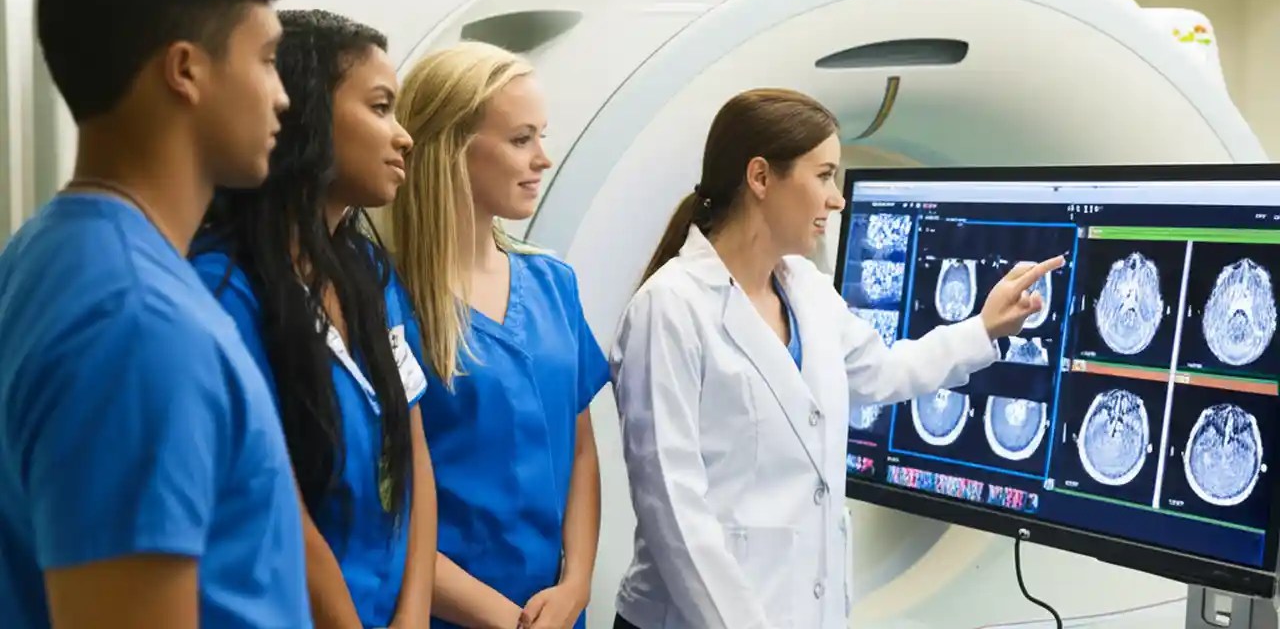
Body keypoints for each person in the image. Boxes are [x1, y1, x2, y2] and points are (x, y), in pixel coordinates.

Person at [610, 88, 1065, 629]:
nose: (837, 199)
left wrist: (983, 327)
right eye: (824, 176)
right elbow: (674, 513)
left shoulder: (804, 288)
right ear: (761, 177)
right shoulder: (670, 309)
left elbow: (884, 371)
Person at [0, 0, 308, 628]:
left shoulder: (43, 256)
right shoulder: (137, 323)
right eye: (266, 59)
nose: (283, 95)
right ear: (185, 70)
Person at [190, 9, 436, 629]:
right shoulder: (223, 290)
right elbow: (277, 504)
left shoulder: (368, 274)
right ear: (303, 115)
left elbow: (412, 452)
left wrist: (412, 615)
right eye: (380, 108)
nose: (404, 137)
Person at [388, 41, 608, 629]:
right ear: (451, 148)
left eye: (542, 136)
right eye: (520, 139)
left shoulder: (553, 283)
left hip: (554, 611)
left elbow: (581, 449)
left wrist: (577, 583)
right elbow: (387, 509)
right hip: (450, 613)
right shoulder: (385, 301)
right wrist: (506, 620)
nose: (543, 159)